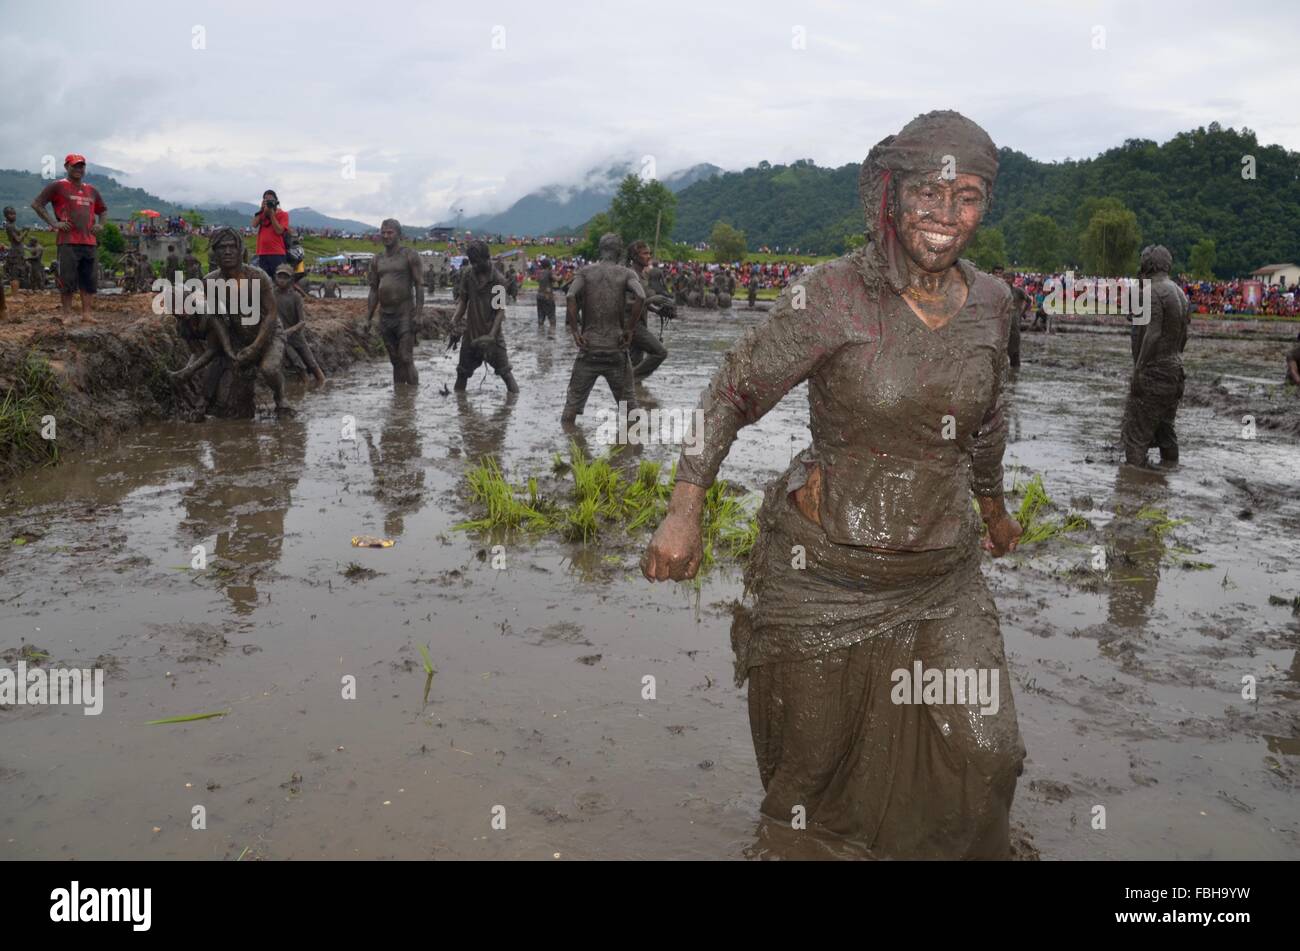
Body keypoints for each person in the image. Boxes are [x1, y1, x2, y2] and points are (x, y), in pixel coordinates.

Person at [642, 111, 1024, 860]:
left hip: (942, 576)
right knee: (806, 784)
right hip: (823, 575)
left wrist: (994, 507)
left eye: (969, 197)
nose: (947, 217)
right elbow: (733, 389)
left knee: (989, 753)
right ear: (892, 195)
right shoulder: (833, 295)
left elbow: (988, 416)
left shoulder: (994, 303)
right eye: (929, 195)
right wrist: (684, 507)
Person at [1120, 245, 1191, 467]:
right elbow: (1184, 336)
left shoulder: (1152, 291)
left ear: (1148, 264)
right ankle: (1167, 475)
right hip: (1175, 372)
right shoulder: (1180, 293)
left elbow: (1153, 333)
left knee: (1135, 437)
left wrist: (1139, 369)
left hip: (1154, 373)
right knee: (1166, 432)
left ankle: (1134, 490)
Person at [561, 233, 642, 424]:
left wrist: (575, 331)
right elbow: (641, 296)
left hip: (589, 347)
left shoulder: (585, 272)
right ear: (619, 251)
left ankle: (571, 444)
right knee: (631, 410)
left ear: (601, 250)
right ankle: (633, 451)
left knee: (570, 410)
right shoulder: (626, 274)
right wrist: (629, 330)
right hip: (615, 348)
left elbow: (571, 296)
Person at [31, 153, 107, 322]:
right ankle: (67, 314)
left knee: (89, 279)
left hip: (89, 242)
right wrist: (53, 223)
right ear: (67, 167)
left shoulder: (91, 190)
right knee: (67, 279)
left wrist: (100, 225)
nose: (79, 169)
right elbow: (37, 204)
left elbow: (103, 210)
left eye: (81, 166)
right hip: (68, 242)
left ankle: (87, 314)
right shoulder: (58, 186)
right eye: (75, 166)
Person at [450, 239, 518, 393]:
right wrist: (453, 321)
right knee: (462, 374)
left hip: (492, 336)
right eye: (472, 262)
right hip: (471, 334)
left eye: (477, 262)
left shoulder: (497, 280)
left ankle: (512, 406)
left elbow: (500, 310)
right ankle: (461, 411)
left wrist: (492, 336)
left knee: (506, 374)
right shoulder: (468, 274)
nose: (474, 266)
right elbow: (463, 301)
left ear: (487, 258)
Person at [364, 219, 424, 386]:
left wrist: (419, 314)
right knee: (395, 360)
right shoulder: (377, 259)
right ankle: (400, 400)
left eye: (390, 232)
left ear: (399, 234)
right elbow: (374, 289)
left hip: (405, 313)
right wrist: (368, 318)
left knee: (406, 357)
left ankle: (411, 397)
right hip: (385, 315)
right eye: (383, 232)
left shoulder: (409, 255)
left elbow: (419, 285)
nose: (386, 236)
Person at [274, 263, 326, 385]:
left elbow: (302, 321)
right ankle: (305, 387)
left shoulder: (296, 297)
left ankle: (321, 384)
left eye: (285, 277)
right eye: (279, 277)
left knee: (312, 363)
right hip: (282, 338)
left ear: (291, 279)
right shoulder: (272, 295)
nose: (281, 280)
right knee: (298, 364)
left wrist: (290, 331)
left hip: (296, 336)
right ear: (275, 278)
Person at [624, 240, 669, 380]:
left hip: (640, 322)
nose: (649, 256)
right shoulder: (629, 275)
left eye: (649, 253)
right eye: (645, 253)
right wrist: (650, 300)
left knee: (633, 362)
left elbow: (641, 300)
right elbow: (624, 303)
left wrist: (656, 310)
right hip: (631, 324)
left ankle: (631, 396)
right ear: (634, 256)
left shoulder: (643, 275)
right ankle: (630, 382)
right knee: (660, 352)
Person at [251, 189, 289, 277]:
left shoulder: (283, 214)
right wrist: (261, 210)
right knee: (264, 282)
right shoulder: (262, 213)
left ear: (276, 201)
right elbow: (254, 224)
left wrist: (272, 214)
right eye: (266, 199)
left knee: (278, 281)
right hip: (262, 252)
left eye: (271, 200)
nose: (269, 202)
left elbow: (279, 230)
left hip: (277, 253)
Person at [992, 265, 1024, 368]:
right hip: (999, 325)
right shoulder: (995, 290)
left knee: (1014, 350)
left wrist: (1021, 313)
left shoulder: (1017, 291)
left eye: (1000, 273)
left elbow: (1027, 301)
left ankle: (1015, 372)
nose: (1006, 280)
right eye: (996, 273)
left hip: (1013, 325)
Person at [536, 257, 557, 327]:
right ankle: (552, 335)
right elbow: (555, 279)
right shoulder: (549, 272)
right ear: (549, 265)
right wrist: (560, 277)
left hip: (539, 296)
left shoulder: (540, 273)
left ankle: (540, 335)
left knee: (540, 318)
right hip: (547, 296)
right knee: (552, 318)